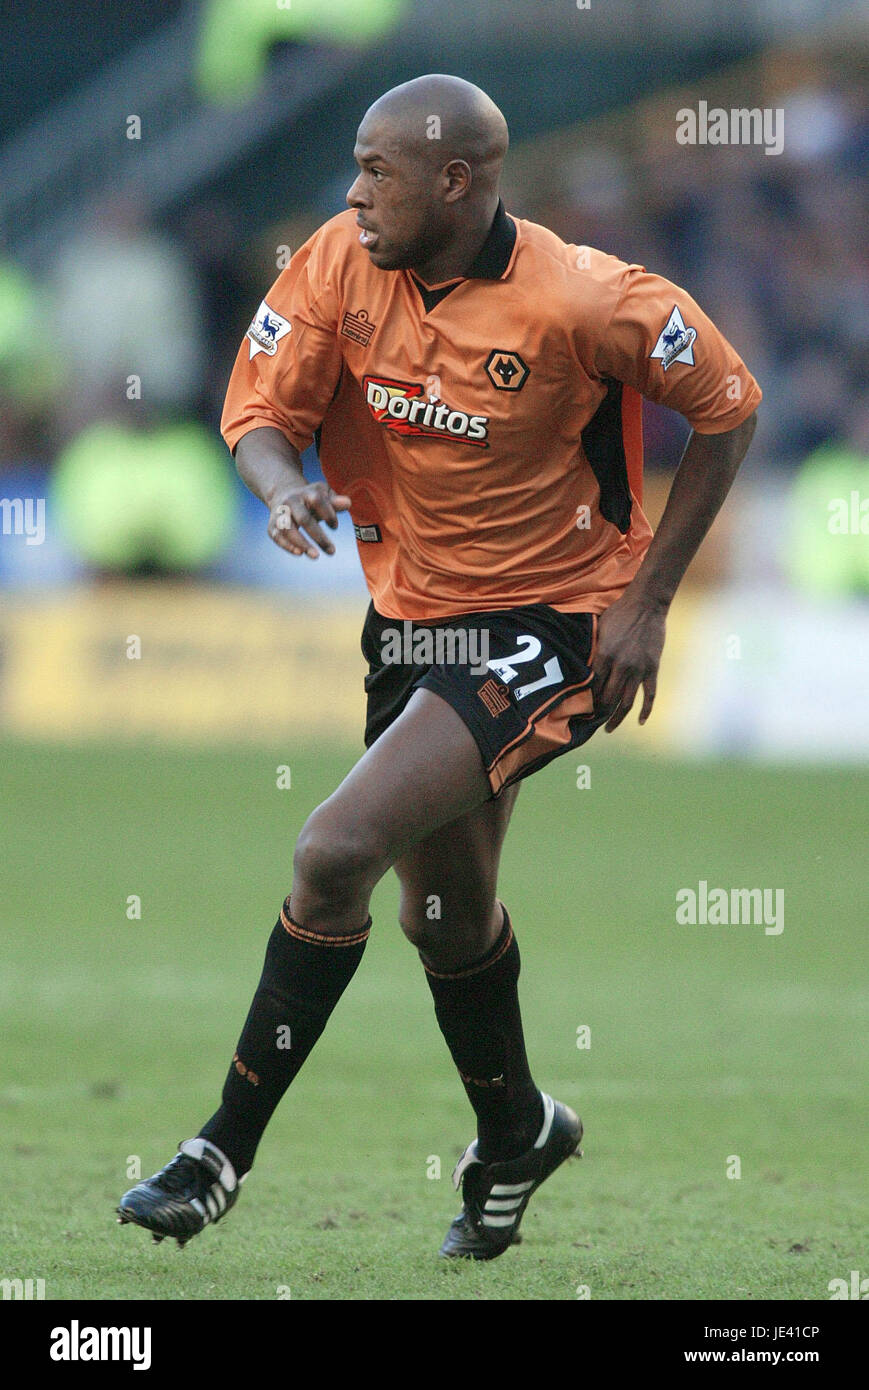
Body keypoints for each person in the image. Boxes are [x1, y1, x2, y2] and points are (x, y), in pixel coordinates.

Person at [118, 74, 760, 1261]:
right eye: (354, 168)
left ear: (455, 181)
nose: (354, 192)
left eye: (378, 171)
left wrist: (648, 601)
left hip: (552, 621)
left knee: (331, 852)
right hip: (410, 623)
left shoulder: (586, 298)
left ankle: (216, 1154)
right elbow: (258, 413)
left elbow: (726, 403)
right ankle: (516, 1127)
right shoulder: (336, 260)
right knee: (443, 916)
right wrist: (283, 488)